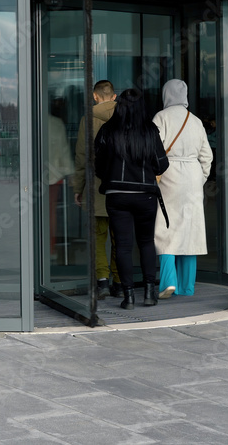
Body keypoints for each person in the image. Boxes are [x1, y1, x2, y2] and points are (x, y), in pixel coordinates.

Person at [94, 88, 168, 309]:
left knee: (123, 246)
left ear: (119, 106)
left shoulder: (107, 130)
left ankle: (128, 297)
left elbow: (98, 165)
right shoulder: (150, 131)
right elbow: (162, 164)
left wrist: (112, 176)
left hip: (116, 195)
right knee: (146, 242)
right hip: (145, 195)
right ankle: (149, 293)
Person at [152, 79, 213, 298]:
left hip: (169, 175)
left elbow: (153, 149)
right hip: (193, 177)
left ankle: (168, 281)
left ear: (166, 94)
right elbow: (207, 156)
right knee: (190, 232)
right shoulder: (195, 121)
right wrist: (199, 178)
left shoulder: (161, 117)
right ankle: (187, 287)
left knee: (166, 229)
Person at [71, 80, 121, 298]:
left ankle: (102, 281)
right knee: (120, 237)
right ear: (114, 96)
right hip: (122, 186)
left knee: (98, 237)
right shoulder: (125, 116)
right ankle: (119, 281)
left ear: (95, 96)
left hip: (97, 186)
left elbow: (82, 156)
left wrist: (78, 187)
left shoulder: (88, 119)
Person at [47, 110, 74, 259]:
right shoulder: (57, 123)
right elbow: (64, 150)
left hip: (32, 175)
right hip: (53, 174)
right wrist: (70, 173)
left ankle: (33, 249)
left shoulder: (26, 120)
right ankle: (50, 249)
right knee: (51, 213)